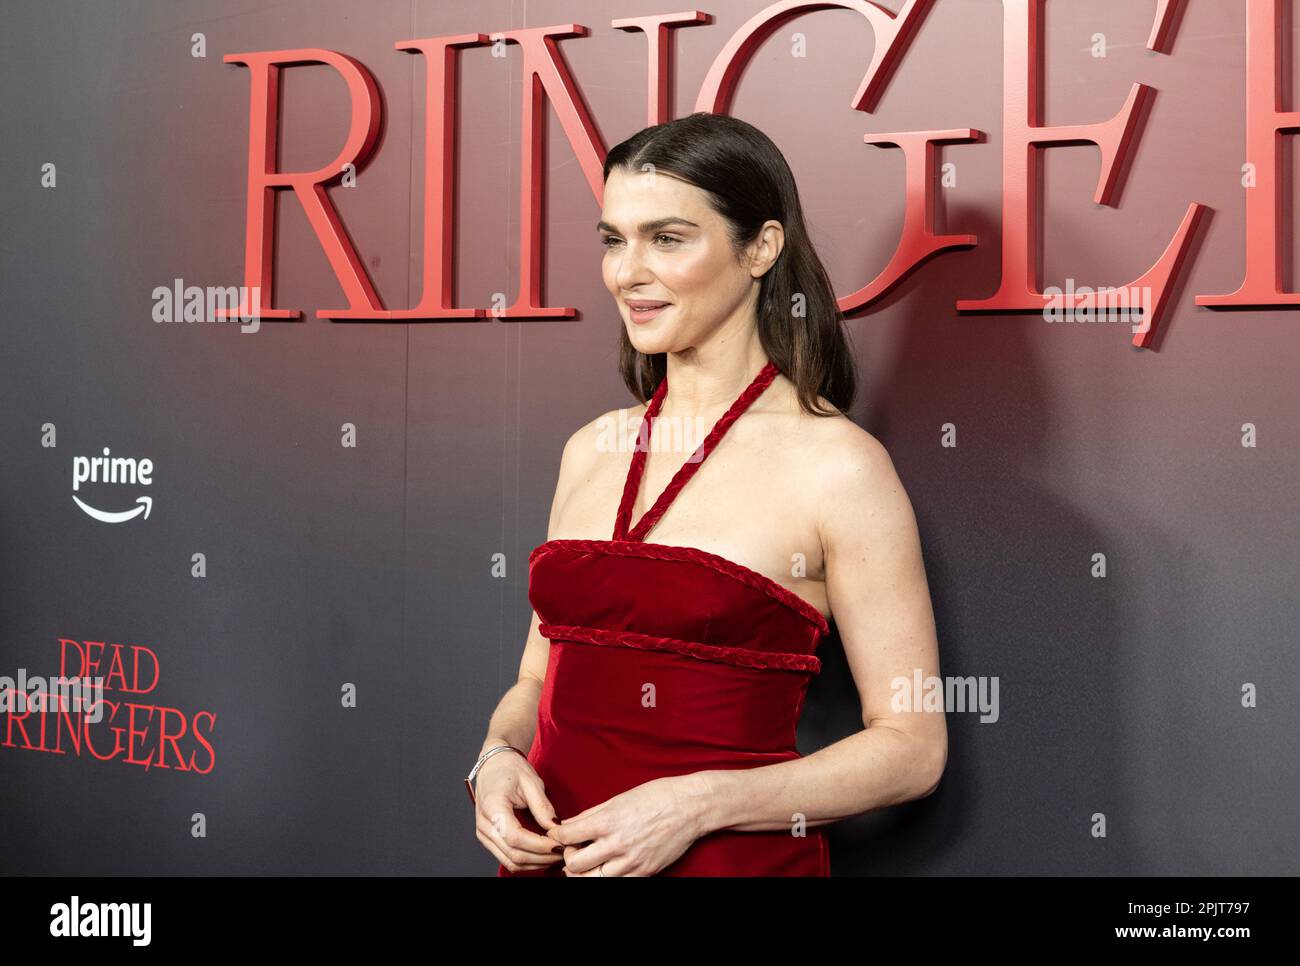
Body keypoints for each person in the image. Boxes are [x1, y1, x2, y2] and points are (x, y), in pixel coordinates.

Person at [468, 112, 946, 876]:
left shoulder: (839, 468)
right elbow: (536, 679)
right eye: (614, 239)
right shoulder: (590, 449)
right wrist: (495, 759)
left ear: (760, 247)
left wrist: (696, 805)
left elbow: (912, 749)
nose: (627, 272)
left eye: (667, 238)